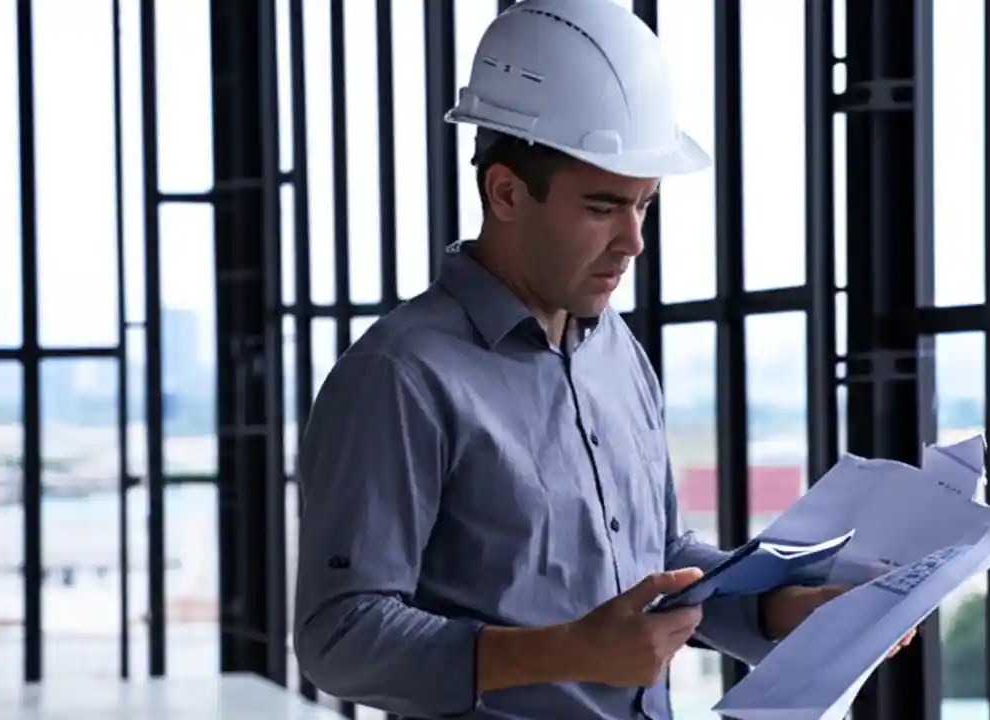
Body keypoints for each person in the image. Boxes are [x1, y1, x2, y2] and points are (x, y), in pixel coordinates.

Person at [291, 1, 912, 718]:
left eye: (644, 206)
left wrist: (784, 612)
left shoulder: (616, 351)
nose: (633, 241)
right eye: (602, 207)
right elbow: (338, 637)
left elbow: (661, 560)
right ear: (506, 193)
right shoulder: (401, 377)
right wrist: (567, 652)